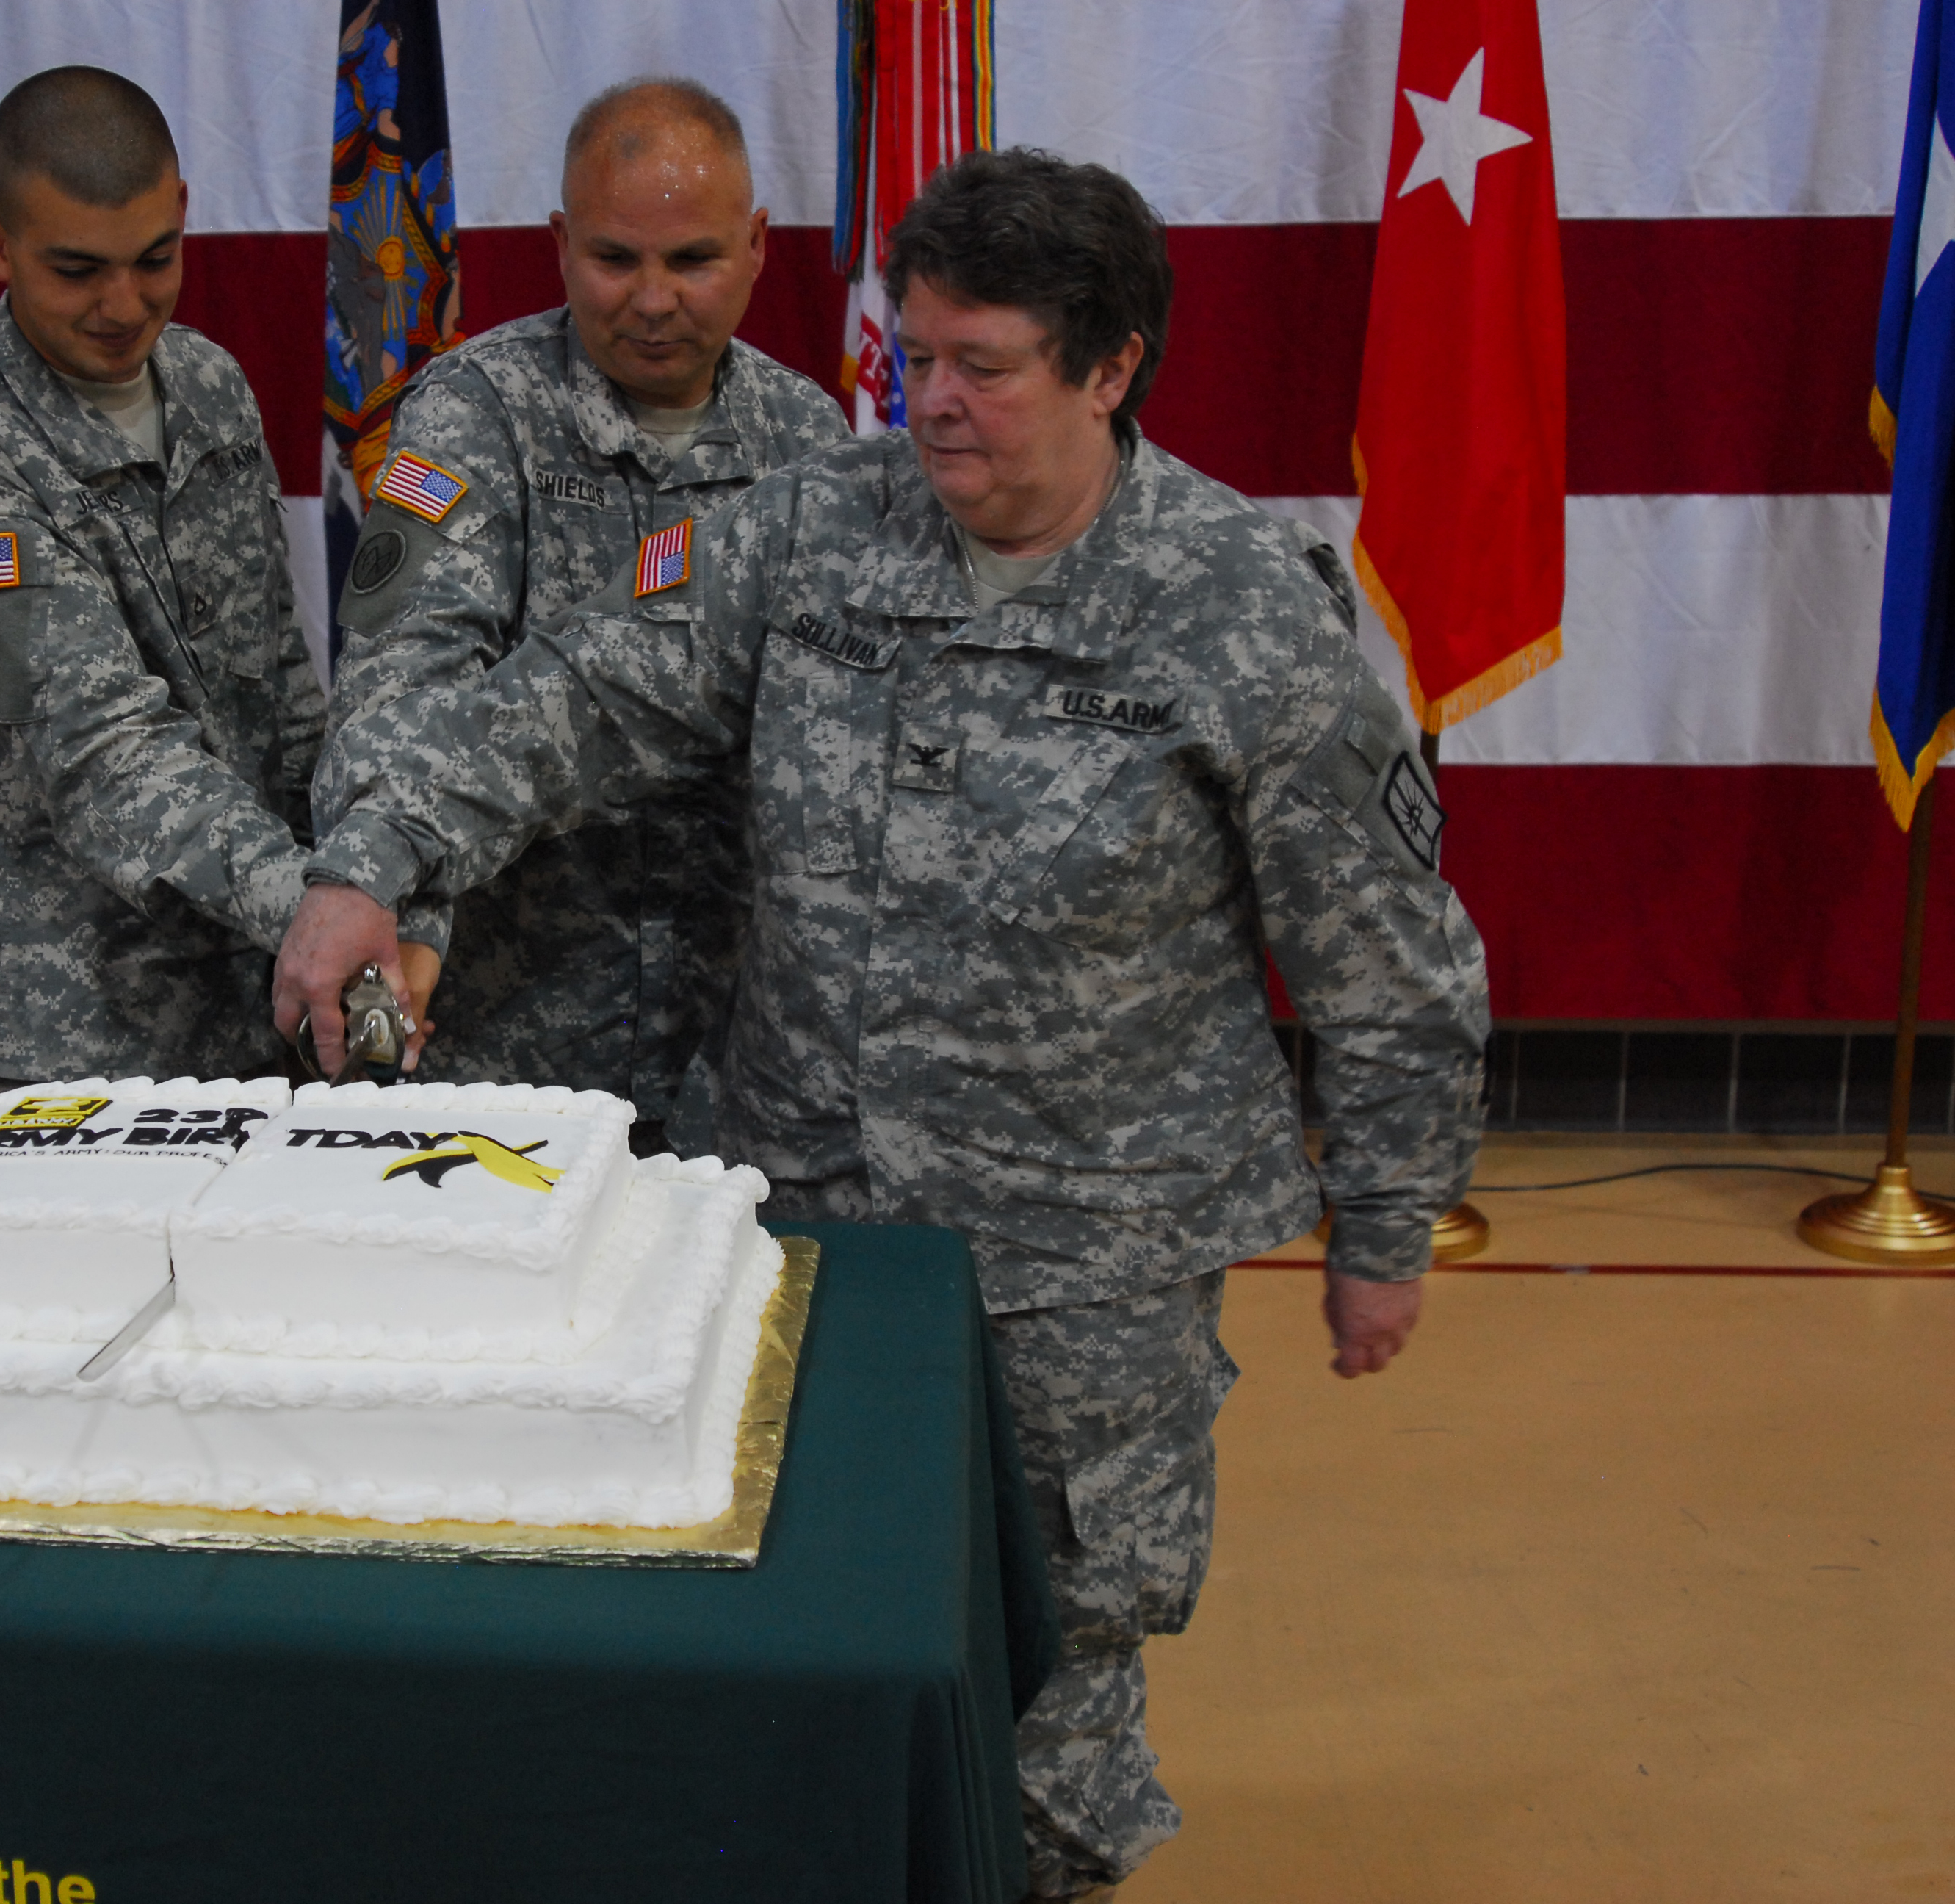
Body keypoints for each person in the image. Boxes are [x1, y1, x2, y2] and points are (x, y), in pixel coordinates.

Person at [278, 148, 1489, 1901]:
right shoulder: (809, 531)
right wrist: (374, 860)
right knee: (799, 1622)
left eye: (981, 367)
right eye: (912, 357)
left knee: (1053, 1673)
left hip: (1080, 1258)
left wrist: (1381, 1226)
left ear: (1108, 367)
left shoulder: (1240, 617)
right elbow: (571, 704)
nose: (932, 406)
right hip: (807, 1219)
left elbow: (1386, 957)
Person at [330, 77, 847, 1152]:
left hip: (735, 1059)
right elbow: (398, 691)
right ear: (561, 244)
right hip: (510, 1058)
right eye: (617, 258)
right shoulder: (476, 412)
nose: (654, 299)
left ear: (755, 244)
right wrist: (404, 905)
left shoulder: (812, 440)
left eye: (693, 259)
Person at [0, 67, 334, 1127]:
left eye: (155, 260)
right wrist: (319, 908)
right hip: (47, 1050)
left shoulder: (208, 385)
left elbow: (281, 688)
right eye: (77, 271)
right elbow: (100, 750)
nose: (124, 306)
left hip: (243, 1020)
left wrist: (357, 861)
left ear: (185, 214)